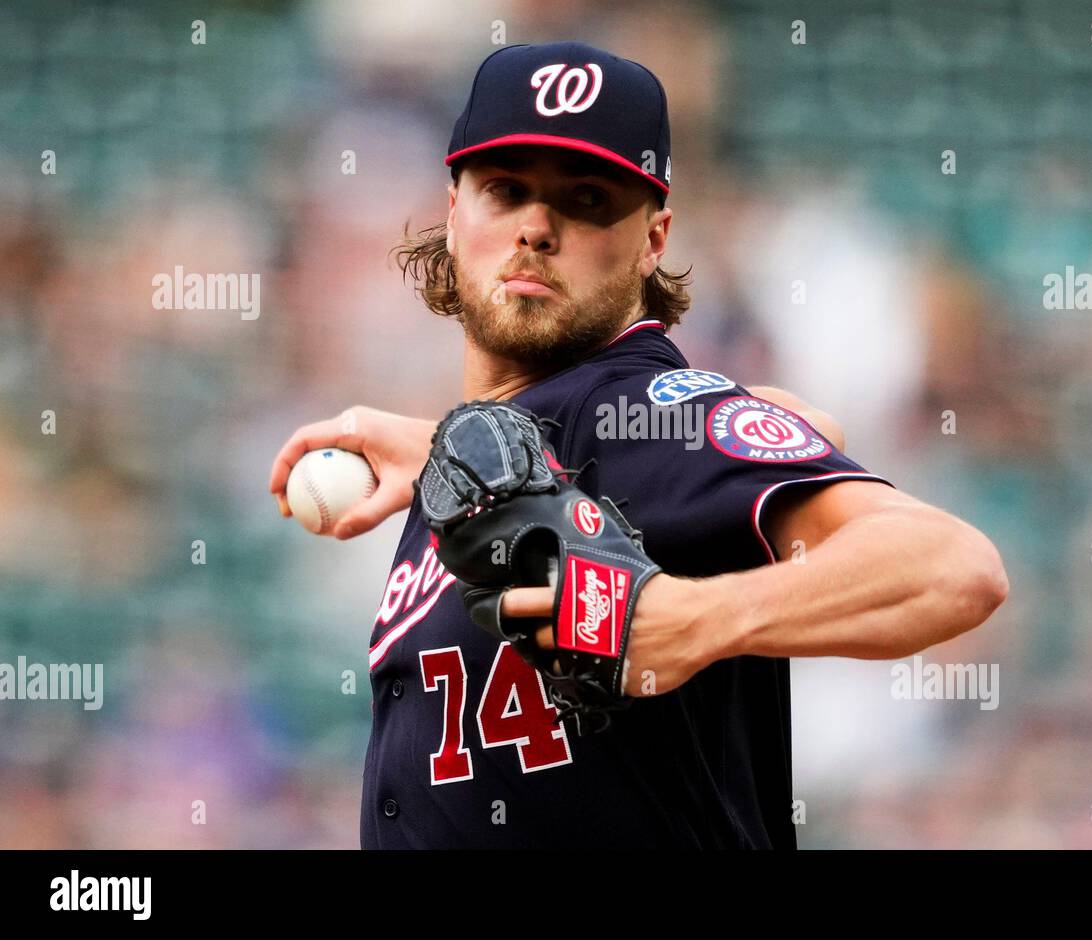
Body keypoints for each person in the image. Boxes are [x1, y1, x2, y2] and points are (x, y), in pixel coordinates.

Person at [268, 41, 1008, 848]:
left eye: (585, 200)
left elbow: (954, 568)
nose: (536, 229)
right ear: (453, 213)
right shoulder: (488, 466)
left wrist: (699, 616)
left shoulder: (643, 411)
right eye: (504, 190)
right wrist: (449, 447)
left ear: (654, 239)